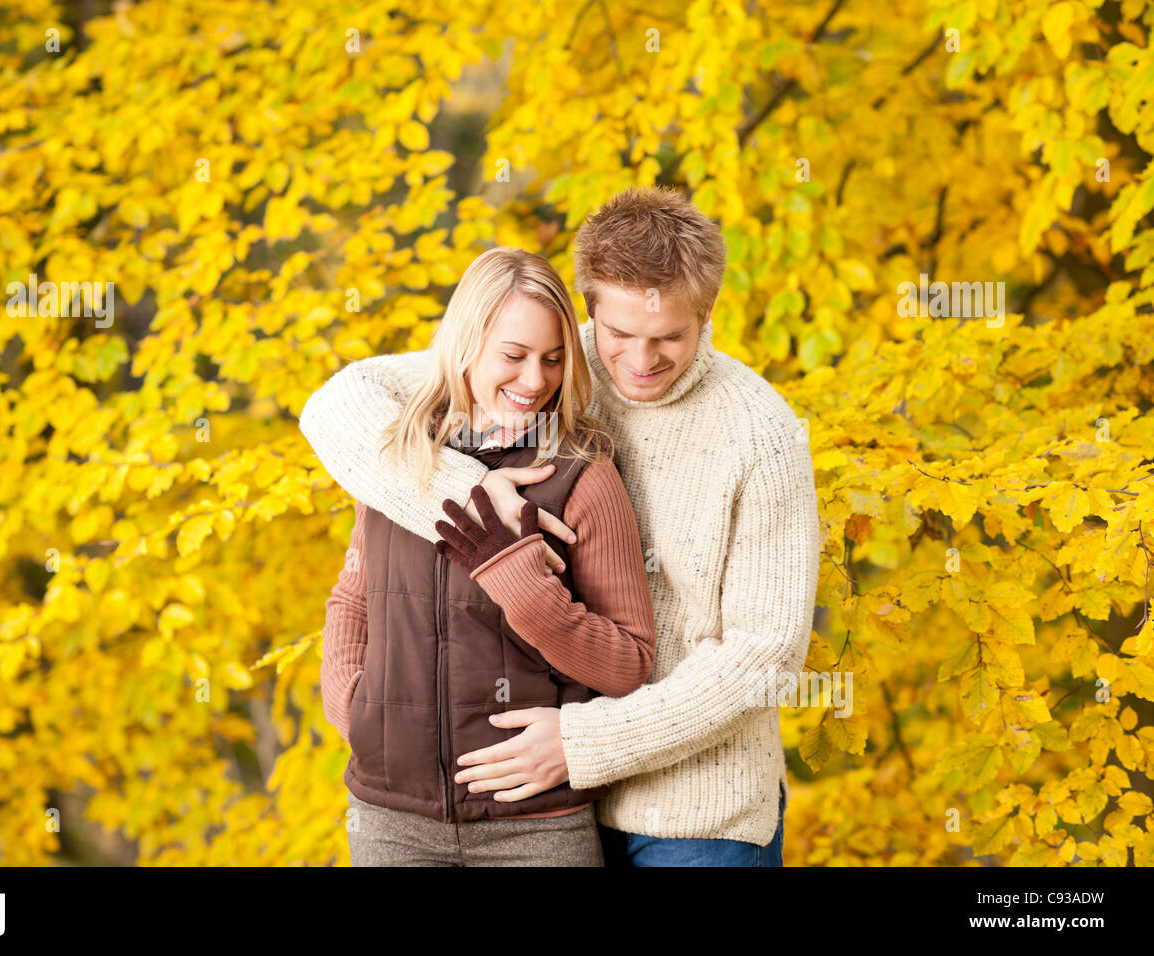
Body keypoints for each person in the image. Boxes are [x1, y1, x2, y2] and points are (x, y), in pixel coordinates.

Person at [302, 186, 823, 867]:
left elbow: (765, 657)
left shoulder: (761, 433)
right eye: (620, 336)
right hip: (545, 804)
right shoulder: (548, 363)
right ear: (590, 310)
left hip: (692, 811)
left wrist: (586, 743)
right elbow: (337, 405)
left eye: (669, 336)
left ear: (707, 312)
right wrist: (475, 493)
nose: (640, 362)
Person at [315, 246, 656, 866]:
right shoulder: (399, 454)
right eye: (514, 355)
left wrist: (523, 585)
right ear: (466, 343)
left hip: (535, 828)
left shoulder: (583, 474)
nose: (535, 380)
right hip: (389, 821)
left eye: (554, 359)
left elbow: (628, 662)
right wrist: (356, 712)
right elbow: (353, 598)